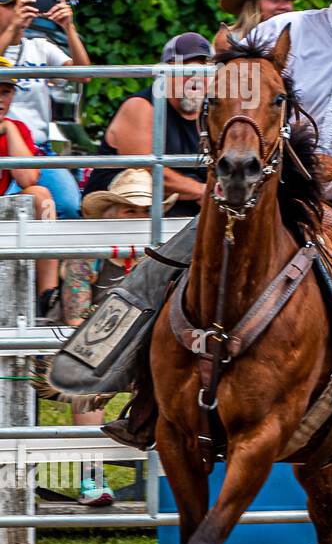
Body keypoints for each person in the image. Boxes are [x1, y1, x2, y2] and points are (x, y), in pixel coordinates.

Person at [60, 169, 178, 505]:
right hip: (99, 342)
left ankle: (173, 482)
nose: (140, 218)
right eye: (131, 210)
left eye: (145, 211)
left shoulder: (163, 254)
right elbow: (75, 316)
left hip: (152, 346)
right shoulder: (90, 255)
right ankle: (92, 477)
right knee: (88, 385)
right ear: (111, 213)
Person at [80, 33, 211, 218]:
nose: (196, 79)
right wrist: (202, 191)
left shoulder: (210, 115)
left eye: (205, 72)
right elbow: (150, 174)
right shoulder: (141, 107)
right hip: (124, 216)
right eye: (188, 70)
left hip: (182, 212)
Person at [0, 0, 90, 219]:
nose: (20, 10)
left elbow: (83, 75)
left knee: (69, 207)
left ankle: (49, 258)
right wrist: (11, 29)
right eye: (10, 5)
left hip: (37, 150)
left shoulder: (41, 46)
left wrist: (68, 28)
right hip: (2, 148)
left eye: (25, 2)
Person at [0, 73, 59, 313]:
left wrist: (9, 129)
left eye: (5, 92)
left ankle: (48, 296)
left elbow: (29, 177)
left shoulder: (17, 128)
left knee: (41, 195)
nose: (0, 100)